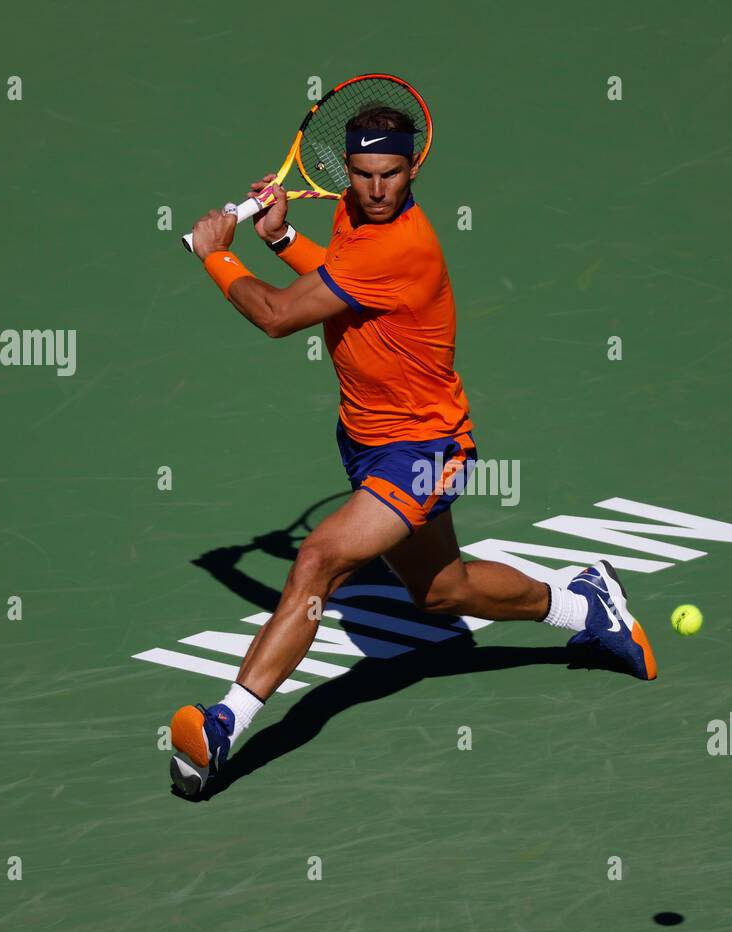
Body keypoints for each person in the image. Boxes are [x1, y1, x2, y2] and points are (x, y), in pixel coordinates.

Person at [170, 104, 656, 795]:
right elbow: (343, 285)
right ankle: (584, 603)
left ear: (413, 166)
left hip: (424, 448)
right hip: (367, 441)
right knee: (441, 591)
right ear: (348, 169)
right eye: (363, 174)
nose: (375, 190)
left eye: (390, 174)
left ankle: (222, 727)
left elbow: (280, 316)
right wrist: (279, 242)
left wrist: (219, 253)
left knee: (318, 561)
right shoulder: (352, 216)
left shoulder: (405, 243)